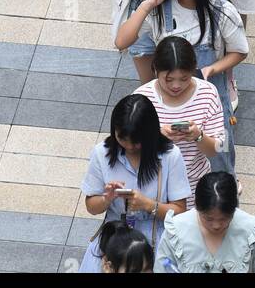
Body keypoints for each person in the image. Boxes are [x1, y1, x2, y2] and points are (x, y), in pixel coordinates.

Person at [115, 0, 247, 169]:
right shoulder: (158, 12)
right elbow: (122, 41)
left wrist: (212, 69)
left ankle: (226, 184)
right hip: (167, 102)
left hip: (211, 90)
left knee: (220, 149)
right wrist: (147, 4)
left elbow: (239, 51)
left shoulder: (221, 10)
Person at [80, 92, 189, 271]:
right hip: (115, 237)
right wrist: (106, 199)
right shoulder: (102, 153)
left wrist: (148, 205)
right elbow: (91, 207)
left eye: (137, 142)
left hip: (154, 236)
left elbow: (179, 211)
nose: (129, 147)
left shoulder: (170, 155)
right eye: (122, 139)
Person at [137, 35, 227, 201]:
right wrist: (157, 138)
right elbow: (130, 147)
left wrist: (198, 136)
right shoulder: (142, 97)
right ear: (155, 70)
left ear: (194, 70)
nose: (176, 85)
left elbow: (219, 148)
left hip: (194, 189)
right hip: (153, 190)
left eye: (184, 78)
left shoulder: (208, 93)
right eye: (169, 79)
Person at [155, 170, 255, 271]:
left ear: (234, 209)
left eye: (224, 218)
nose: (216, 225)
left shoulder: (253, 231)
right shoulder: (175, 231)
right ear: (196, 206)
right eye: (208, 218)